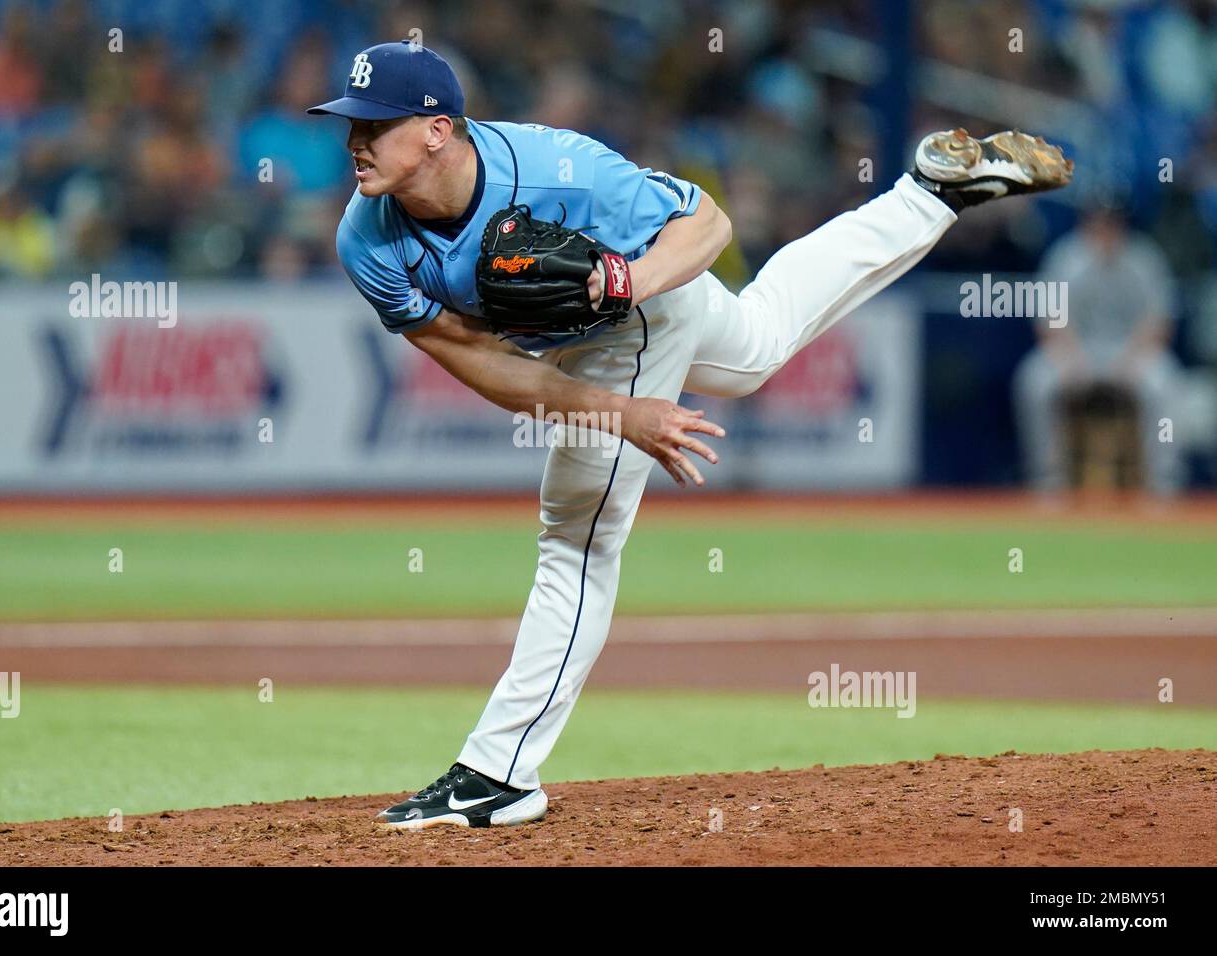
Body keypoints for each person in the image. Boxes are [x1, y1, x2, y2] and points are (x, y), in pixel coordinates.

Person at [310, 41, 1073, 829]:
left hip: (645, 302)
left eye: (376, 124)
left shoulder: (559, 171)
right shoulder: (365, 238)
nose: (354, 142)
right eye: (351, 124)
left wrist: (628, 284)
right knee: (762, 345)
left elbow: (707, 222)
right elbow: (485, 365)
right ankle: (927, 193)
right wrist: (622, 414)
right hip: (589, 336)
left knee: (577, 538)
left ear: (437, 131)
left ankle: (499, 773)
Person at [1013, 198, 1184, 495]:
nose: (1107, 227)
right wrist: (1073, 359)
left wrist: (1130, 360)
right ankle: (1047, 482)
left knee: (1165, 383)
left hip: (1131, 354)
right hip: (1075, 352)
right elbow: (1048, 323)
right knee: (1034, 381)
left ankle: (1163, 484)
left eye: (1113, 220)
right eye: (1100, 219)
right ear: (1087, 221)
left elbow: (1159, 323)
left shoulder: (1144, 258)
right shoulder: (1066, 256)